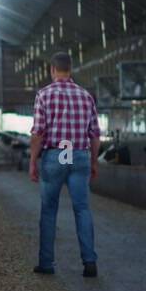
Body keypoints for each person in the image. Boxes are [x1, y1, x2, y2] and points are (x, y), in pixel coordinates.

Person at [28, 52, 100, 277]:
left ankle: (46, 264)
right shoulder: (86, 96)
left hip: (55, 155)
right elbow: (95, 134)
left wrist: (32, 161)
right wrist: (94, 161)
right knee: (82, 209)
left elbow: (38, 132)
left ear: (52, 70)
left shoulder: (44, 95)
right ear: (71, 69)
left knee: (49, 210)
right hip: (79, 155)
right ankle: (89, 262)